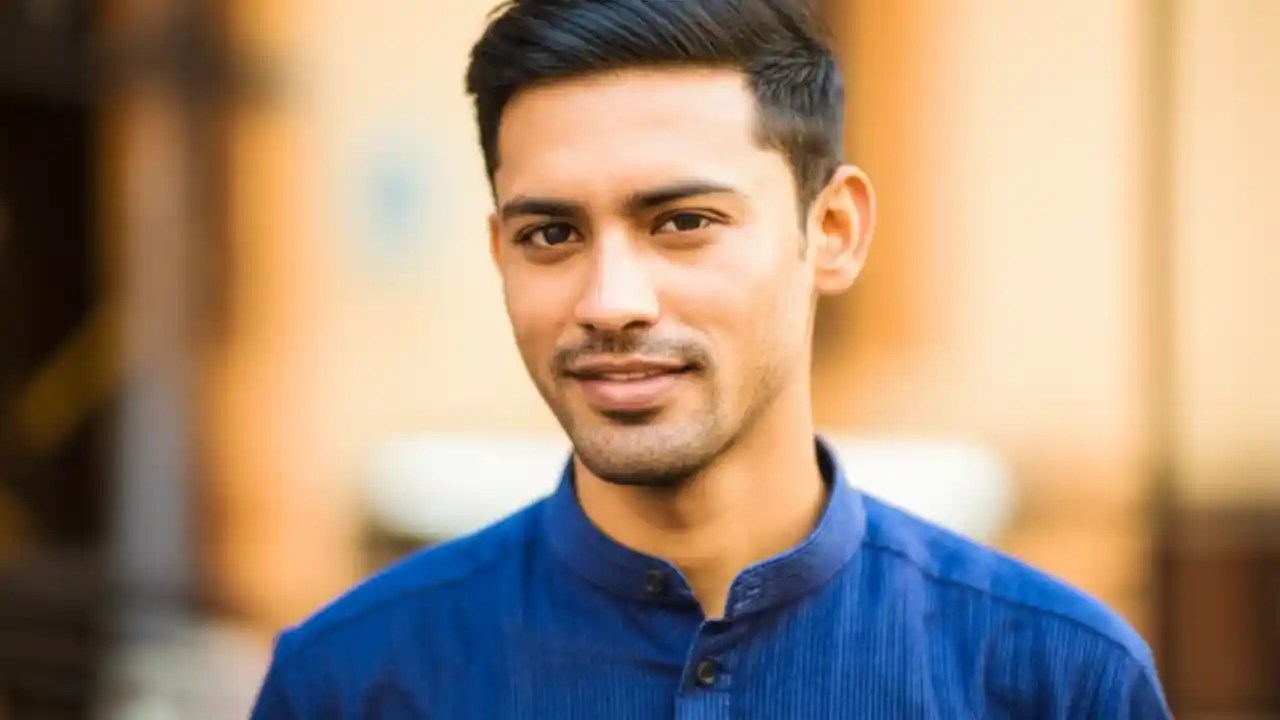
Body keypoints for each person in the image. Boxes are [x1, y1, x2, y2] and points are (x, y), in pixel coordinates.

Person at [251, 0, 1171, 717]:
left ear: (834, 231)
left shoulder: (1053, 679)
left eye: (683, 223)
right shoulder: (352, 681)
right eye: (551, 233)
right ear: (499, 253)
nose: (610, 300)